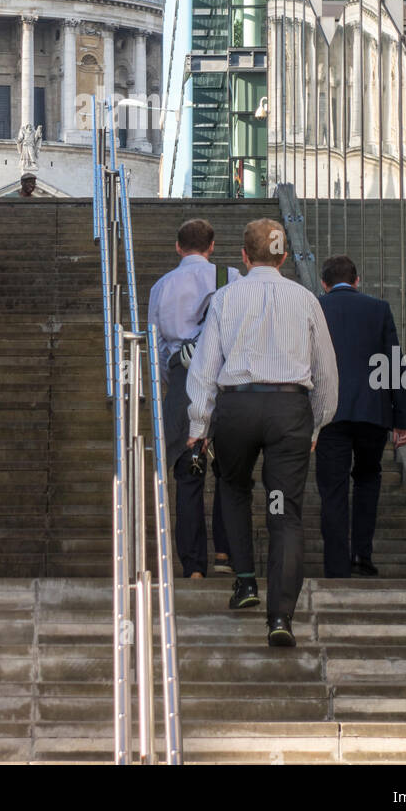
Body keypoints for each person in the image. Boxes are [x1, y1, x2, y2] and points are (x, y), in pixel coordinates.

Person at [187, 219, 338, 647]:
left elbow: (204, 368)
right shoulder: (306, 299)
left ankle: (246, 583)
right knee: (284, 511)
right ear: (285, 256)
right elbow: (327, 370)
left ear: (244, 257)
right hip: (288, 409)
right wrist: (319, 421)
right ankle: (281, 618)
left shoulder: (225, 298)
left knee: (233, 489)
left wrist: (199, 424)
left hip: (237, 406)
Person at [148, 219, 241, 579]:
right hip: (225, 381)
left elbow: (155, 345)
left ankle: (193, 566)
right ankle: (224, 552)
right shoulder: (230, 277)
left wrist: (170, 384)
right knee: (228, 473)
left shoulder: (161, 286)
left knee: (188, 477)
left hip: (183, 383)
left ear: (177, 246)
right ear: (212, 245)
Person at [316, 254, 406, 579]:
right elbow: (395, 364)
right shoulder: (378, 309)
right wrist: (401, 419)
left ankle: (336, 566)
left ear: (324, 283)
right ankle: (362, 556)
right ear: (357, 280)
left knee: (333, 489)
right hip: (373, 413)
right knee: (368, 479)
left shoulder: (315, 308)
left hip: (329, 414)